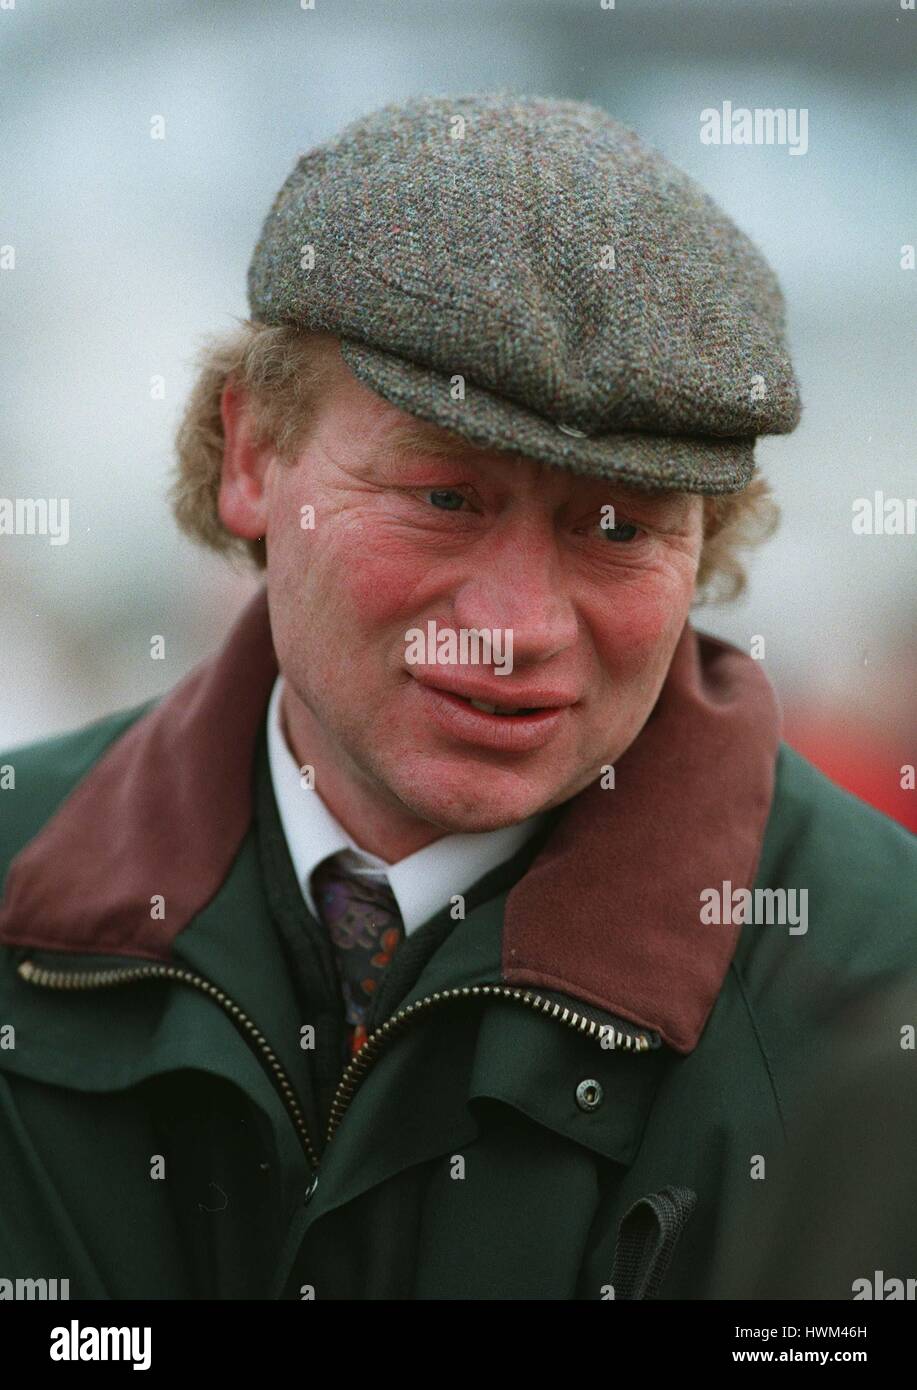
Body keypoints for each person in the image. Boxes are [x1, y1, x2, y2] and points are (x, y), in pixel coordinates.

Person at [0, 93, 913, 1301]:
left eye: (613, 526)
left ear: (704, 546)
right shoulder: (23, 884)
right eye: (445, 499)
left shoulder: (873, 993)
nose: (515, 631)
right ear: (252, 458)